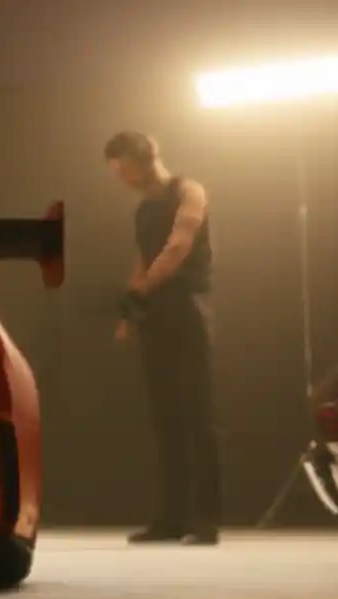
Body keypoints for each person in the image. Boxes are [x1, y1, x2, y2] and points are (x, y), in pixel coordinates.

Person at [104, 131, 222, 546]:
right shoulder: (142, 210)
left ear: (143, 158)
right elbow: (142, 259)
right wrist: (131, 315)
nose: (122, 178)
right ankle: (172, 518)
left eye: (124, 169)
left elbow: (177, 247)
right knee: (166, 418)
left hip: (187, 308)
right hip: (156, 311)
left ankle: (206, 520)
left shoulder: (188, 190)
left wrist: (140, 292)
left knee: (197, 413)